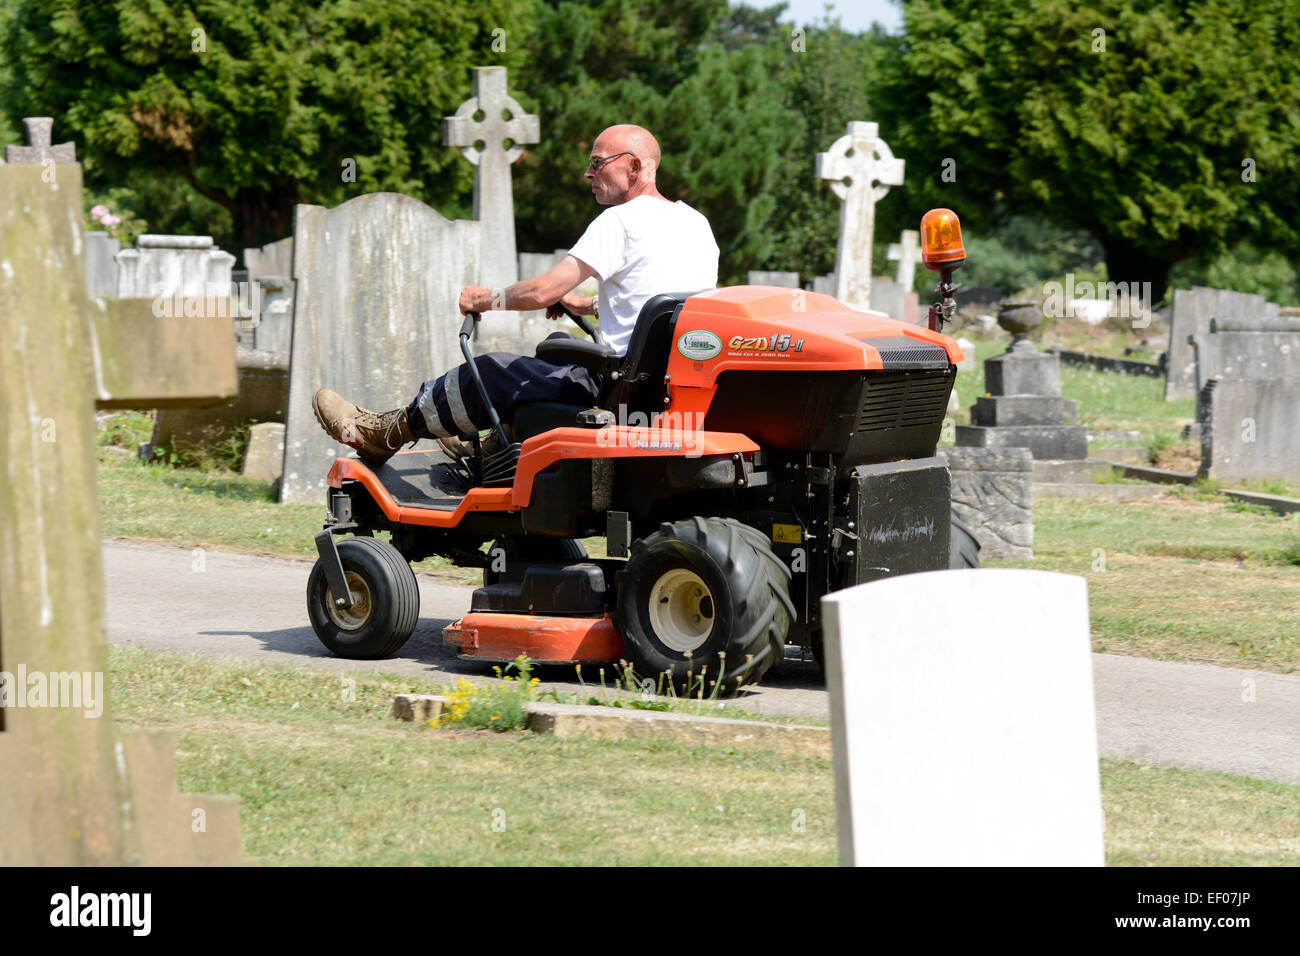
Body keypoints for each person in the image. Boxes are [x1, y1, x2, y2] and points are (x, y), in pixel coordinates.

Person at [312, 124, 719, 466]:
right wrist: (585, 304)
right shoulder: (695, 224)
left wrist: (485, 299)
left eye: (597, 163)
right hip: (661, 389)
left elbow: (544, 290)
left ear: (635, 166)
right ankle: (494, 446)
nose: (587, 173)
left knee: (491, 370)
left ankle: (386, 432)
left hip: (613, 389)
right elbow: (663, 306)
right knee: (556, 346)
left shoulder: (621, 220)